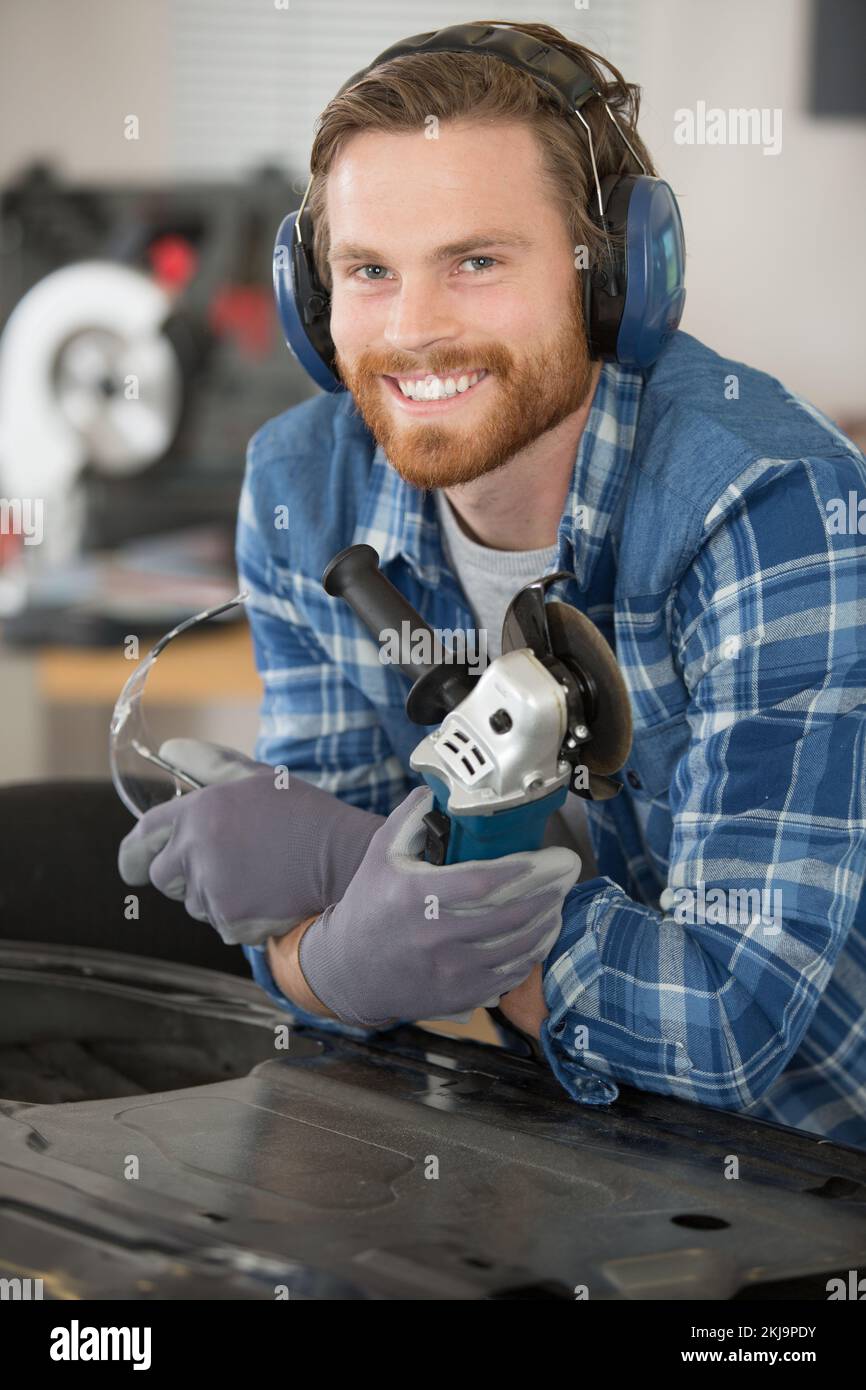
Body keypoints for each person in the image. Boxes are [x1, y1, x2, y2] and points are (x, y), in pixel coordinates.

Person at [119, 20, 866, 1148]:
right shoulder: (302, 486)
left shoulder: (773, 505)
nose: (413, 332)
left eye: (475, 261)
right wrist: (340, 954)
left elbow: (730, 1021)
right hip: (521, 1140)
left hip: (799, 1182)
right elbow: (312, 973)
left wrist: (360, 873)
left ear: (615, 278)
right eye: (368, 271)